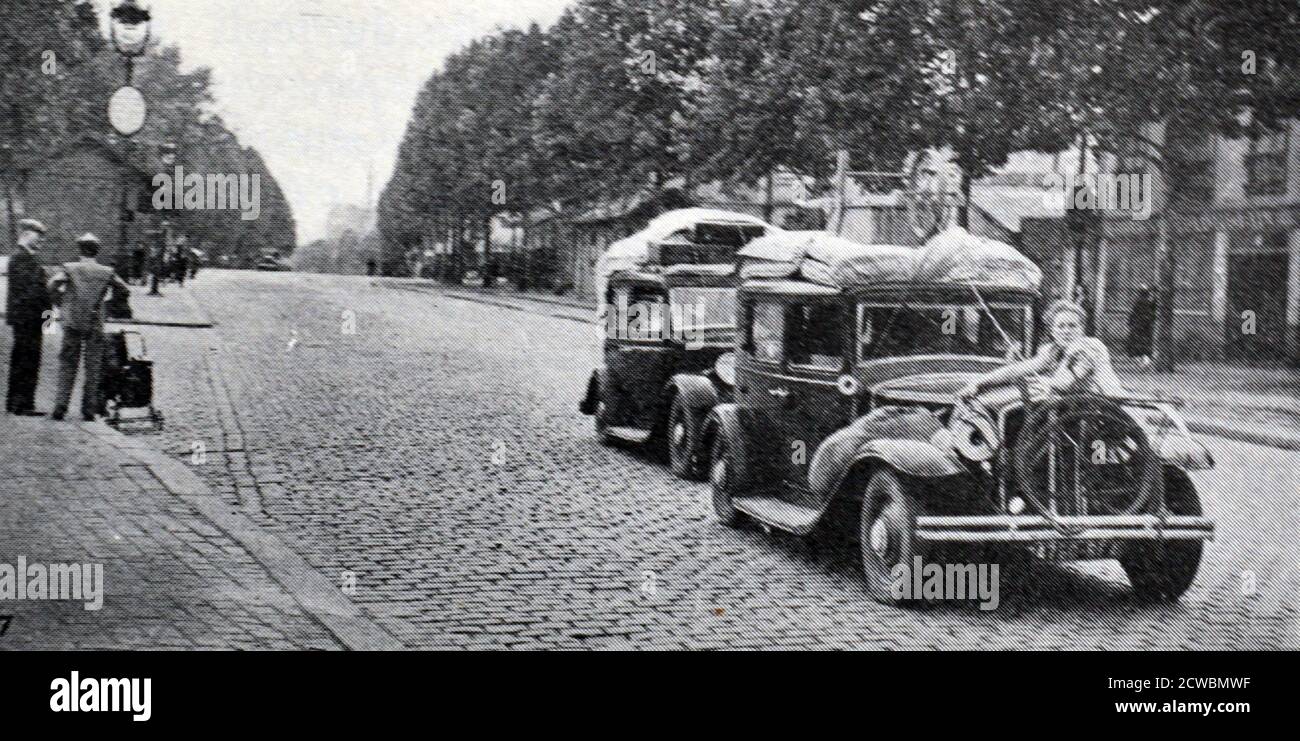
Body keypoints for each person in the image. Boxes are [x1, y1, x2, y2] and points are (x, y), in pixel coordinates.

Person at [960, 300, 1125, 401]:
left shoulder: (1089, 347)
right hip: (1076, 410)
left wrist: (1048, 383)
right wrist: (979, 382)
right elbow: (1016, 369)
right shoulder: (1053, 351)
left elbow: (1067, 381)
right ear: (1052, 331)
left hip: (1105, 411)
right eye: (1060, 326)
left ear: (1082, 328)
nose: (1066, 331)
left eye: (1072, 326)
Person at [46, 233, 130, 422]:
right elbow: (124, 289)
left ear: (80, 249)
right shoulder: (107, 271)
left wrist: (61, 304)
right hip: (95, 323)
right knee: (93, 368)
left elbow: (52, 284)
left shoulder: (69, 268)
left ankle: (61, 406)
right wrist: (106, 308)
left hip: (72, 322)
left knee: (67, 364)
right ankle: (88, 410)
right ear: (96, 250)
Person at [5, 219, 52, 415]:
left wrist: (48, 321)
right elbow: (34, 292)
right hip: (28, 318)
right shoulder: (21, 258)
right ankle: (21, 404)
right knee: (27, 360)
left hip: (30, 318)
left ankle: (20, 403)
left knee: (26, 359)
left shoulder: (26, 257)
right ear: (25, 234)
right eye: (37, 234)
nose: (41, 239)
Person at [1127, 284, 1157, 369]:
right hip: (1147, 326)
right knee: (1146, 344)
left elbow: (1134, 313)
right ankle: (1145, 361)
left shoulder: (1138, 302)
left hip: (1139, 327)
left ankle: (1142, 361)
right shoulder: (1151, 302)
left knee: (1138, 344)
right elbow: (1153, 314)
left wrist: (1131, 323)